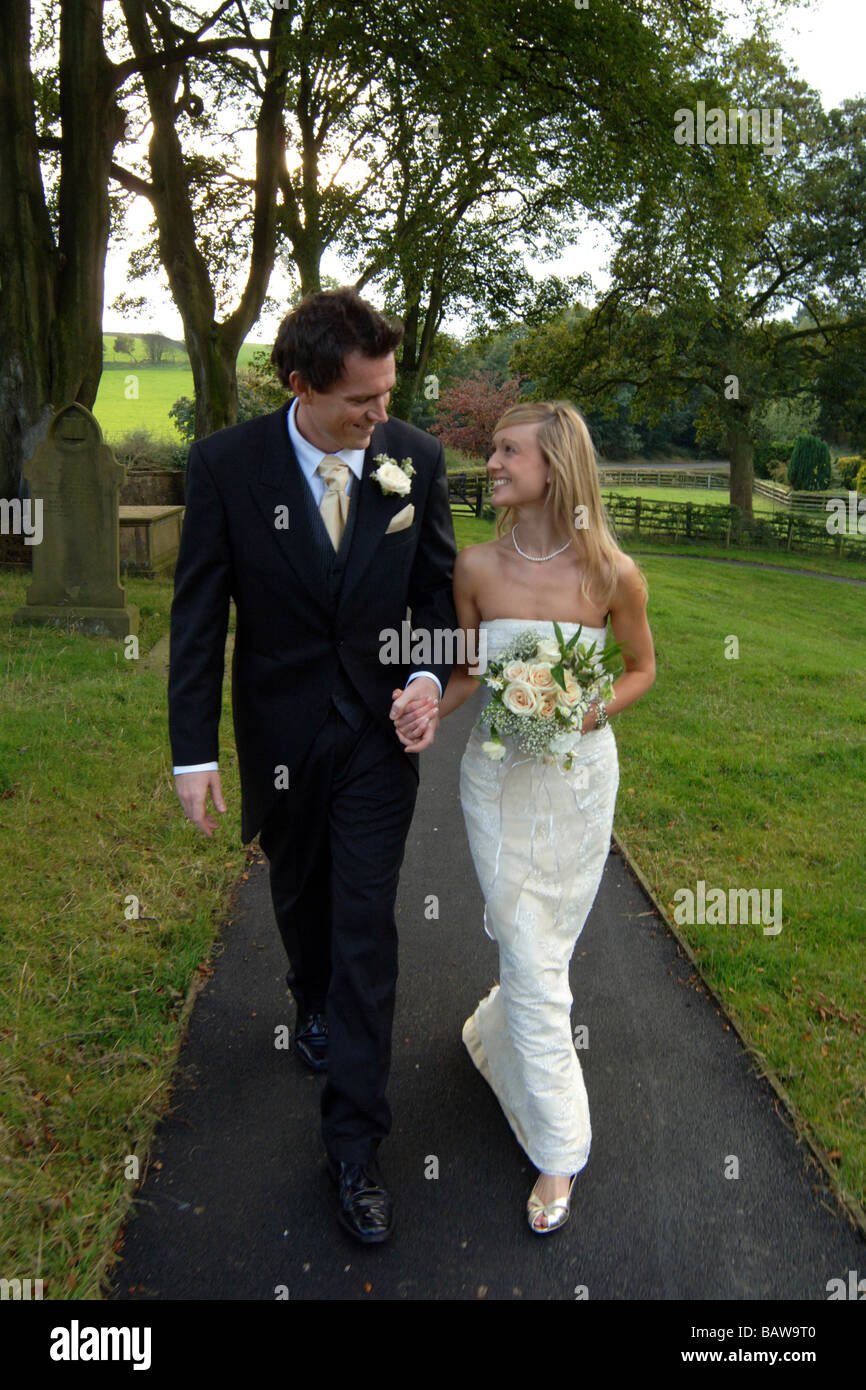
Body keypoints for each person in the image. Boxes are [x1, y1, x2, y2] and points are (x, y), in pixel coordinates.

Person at [169, 288, 457, 1244]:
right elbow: (200, 618)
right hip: (283, 738)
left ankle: (354, 1149)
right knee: (301, 899)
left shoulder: (414, 460)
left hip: (379, 739)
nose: (382, 418)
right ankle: (306, 994)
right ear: (301, 386)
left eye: (387, 395)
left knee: (366, 925)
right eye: (361, 403)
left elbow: (435, 596)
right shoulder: (223, 466)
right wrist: (194, 753)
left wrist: (422, 675)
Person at [392, 401, 655, 1232]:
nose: (491, 463)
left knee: (546, 947)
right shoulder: (473, 566)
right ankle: (560, 1153)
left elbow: (642, 671)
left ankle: (492, 1033)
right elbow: (467, 675)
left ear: (555, 465)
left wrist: (587, 710)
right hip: (496, 788)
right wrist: (431, 705)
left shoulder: (612, 572)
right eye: (492, 450)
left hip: (578, 784)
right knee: (531, 952)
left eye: (508, 451)